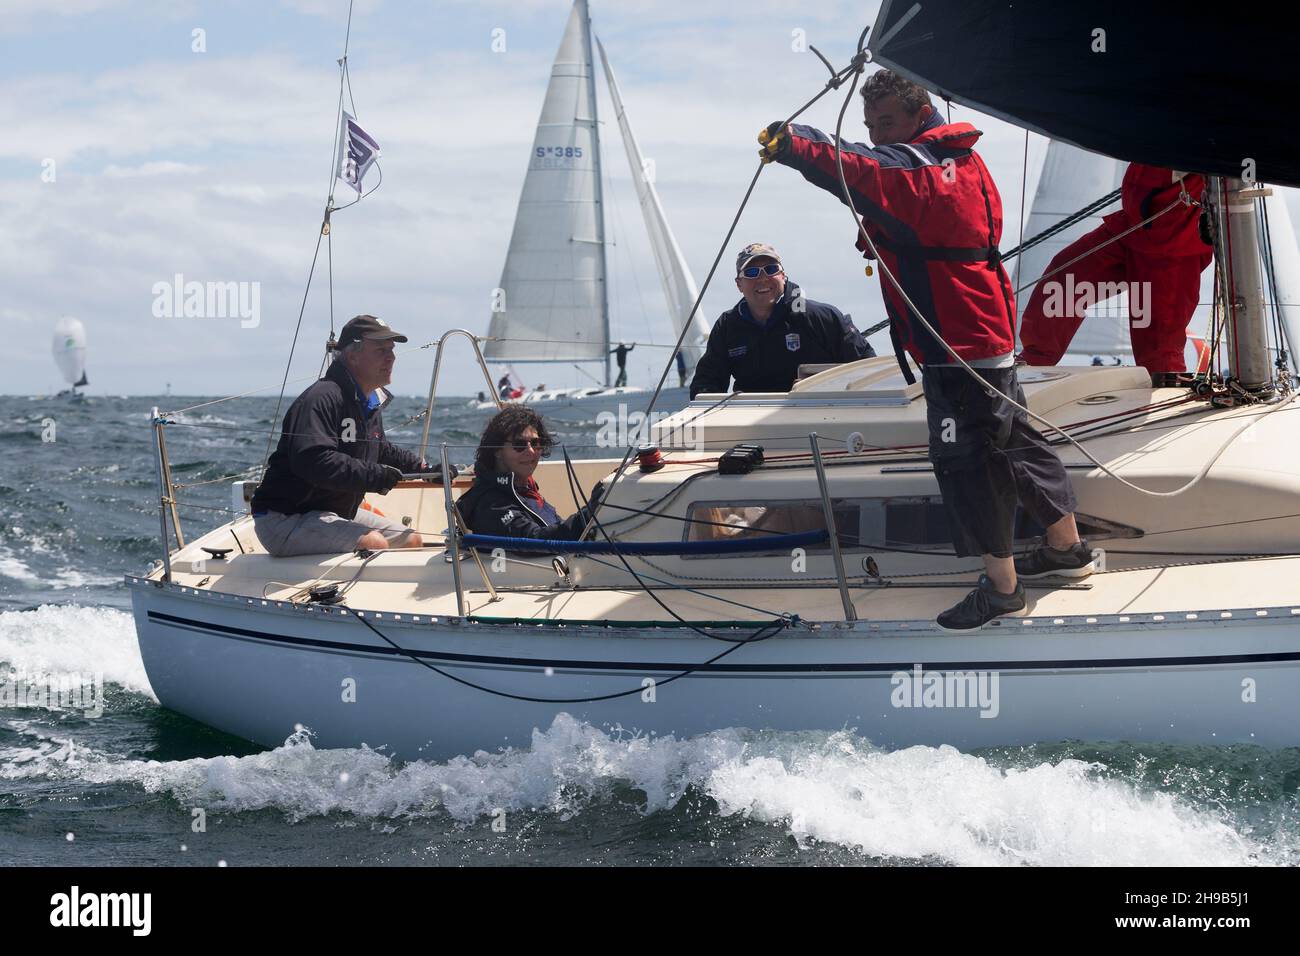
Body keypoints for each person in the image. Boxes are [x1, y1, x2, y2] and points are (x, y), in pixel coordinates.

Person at [761, 70, 1094, 629]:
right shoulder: (960, 161)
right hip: (983, 335)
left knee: (967, 462)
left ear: (920, 116)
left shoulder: (921, 168)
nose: (879, 136)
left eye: (887, 123)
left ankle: (1002, 588)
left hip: (954, 344)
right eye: (871, 126)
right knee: (1016, 443)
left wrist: (794, 142)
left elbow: (859, 167)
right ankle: (1067, 550)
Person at [251, 315, 442, 557]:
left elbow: (381, 450)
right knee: (376, 544)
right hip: (285, 518)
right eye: (381, 350)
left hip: (331, 512)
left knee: (411, 539)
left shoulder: (368, 402)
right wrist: (376, 476)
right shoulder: (322, 398)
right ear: (352, 355)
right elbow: (313, 461)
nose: (391, 357)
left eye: (392, 350)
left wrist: (428, 470)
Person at [1018, 164, 1213, 383]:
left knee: (1158, 339)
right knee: (1065, 278)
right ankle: (1034, 362)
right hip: (1133, 223)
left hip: (1171, 241)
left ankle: (1167, 388)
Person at [689, 243, 874, 398]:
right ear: (739, 284)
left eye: (770, 269)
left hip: (820, 417)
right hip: (751, 423)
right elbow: (705, 384)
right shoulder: (728, 326)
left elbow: (867, 368)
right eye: (752, 272)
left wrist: (823, 385)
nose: (762, 278)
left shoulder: (821, 317)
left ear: (783, 276)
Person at [457, 405, 604, 540]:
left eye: (535, 443)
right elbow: (534, 539)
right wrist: (589, 513)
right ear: (497, 451)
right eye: (519, 445)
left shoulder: (523, 490)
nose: (531, 451)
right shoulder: (491, 504)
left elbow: (554, 528)